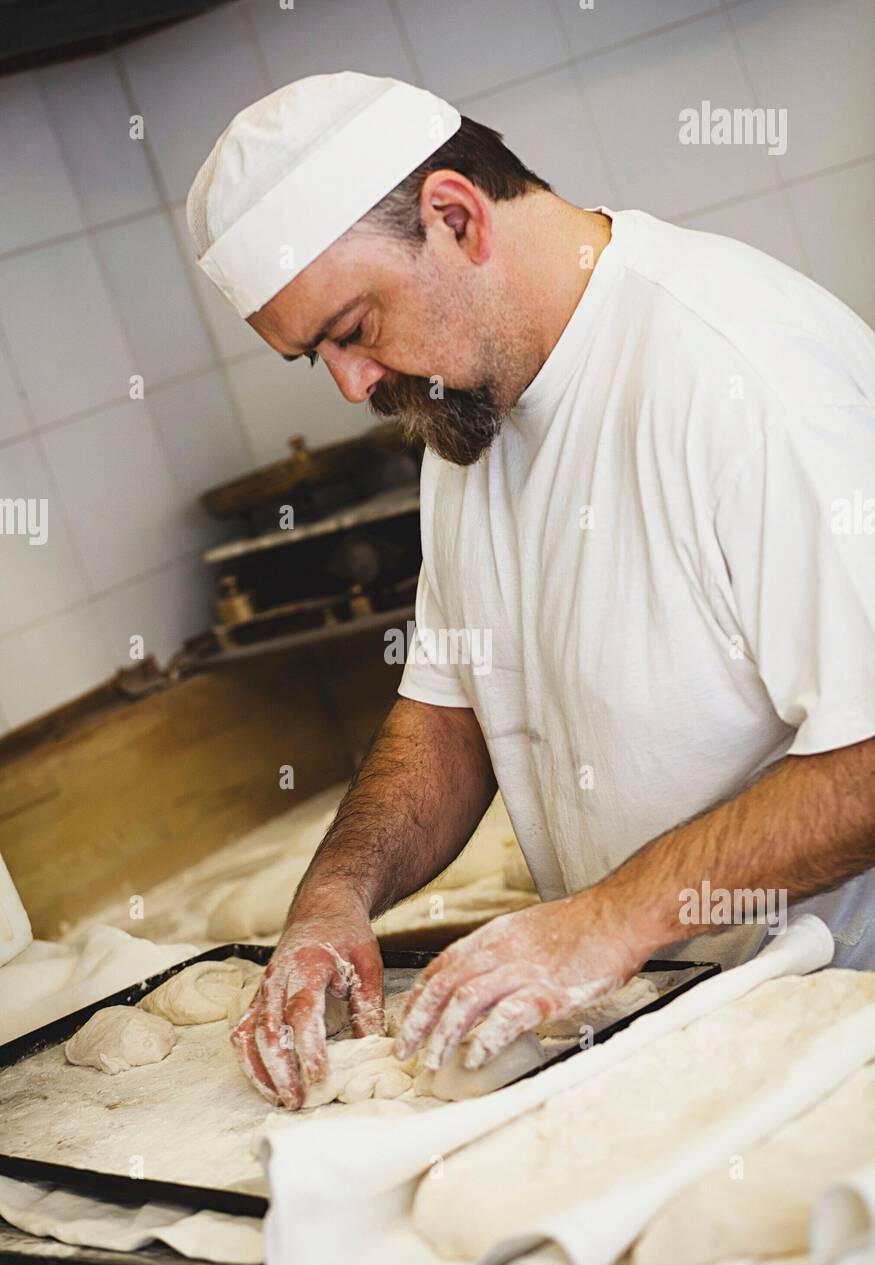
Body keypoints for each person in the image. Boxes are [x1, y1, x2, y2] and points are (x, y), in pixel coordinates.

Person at [187, 73, 875, 1109]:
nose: (351, 386)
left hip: (836, 1028)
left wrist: (603, 921)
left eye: (352, 326)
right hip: (674, 1032)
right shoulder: (465, 414)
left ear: (456, 217)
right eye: (314, 356)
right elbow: (449, 715)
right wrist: (333, 900)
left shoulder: (737, 376)